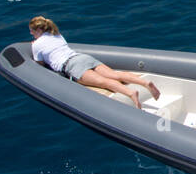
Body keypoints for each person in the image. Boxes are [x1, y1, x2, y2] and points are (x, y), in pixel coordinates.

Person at [28, 16, 160, 110]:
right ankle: (145, 83)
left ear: (38, 30)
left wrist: (35, 46)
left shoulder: (37, 44)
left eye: (32, 31)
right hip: (82, 57)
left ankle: (131, 93)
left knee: (104, 82)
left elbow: (39, 64)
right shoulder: (57, 34)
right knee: (115, 75)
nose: (31, 33)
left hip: (71, 65)